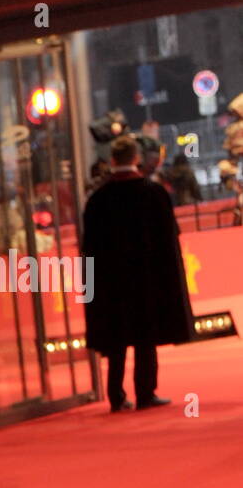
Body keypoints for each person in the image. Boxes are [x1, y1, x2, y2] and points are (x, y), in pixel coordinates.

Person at [81, 134, 194, 412]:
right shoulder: (153, 193)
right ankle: (146, 392)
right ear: (136, 159)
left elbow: (89, 247)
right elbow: (169, 239)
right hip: (146, 278)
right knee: (146, 336)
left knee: (116, 338)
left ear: (112, 160)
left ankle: (116, 397)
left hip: (110, 282)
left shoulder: (97, 200)